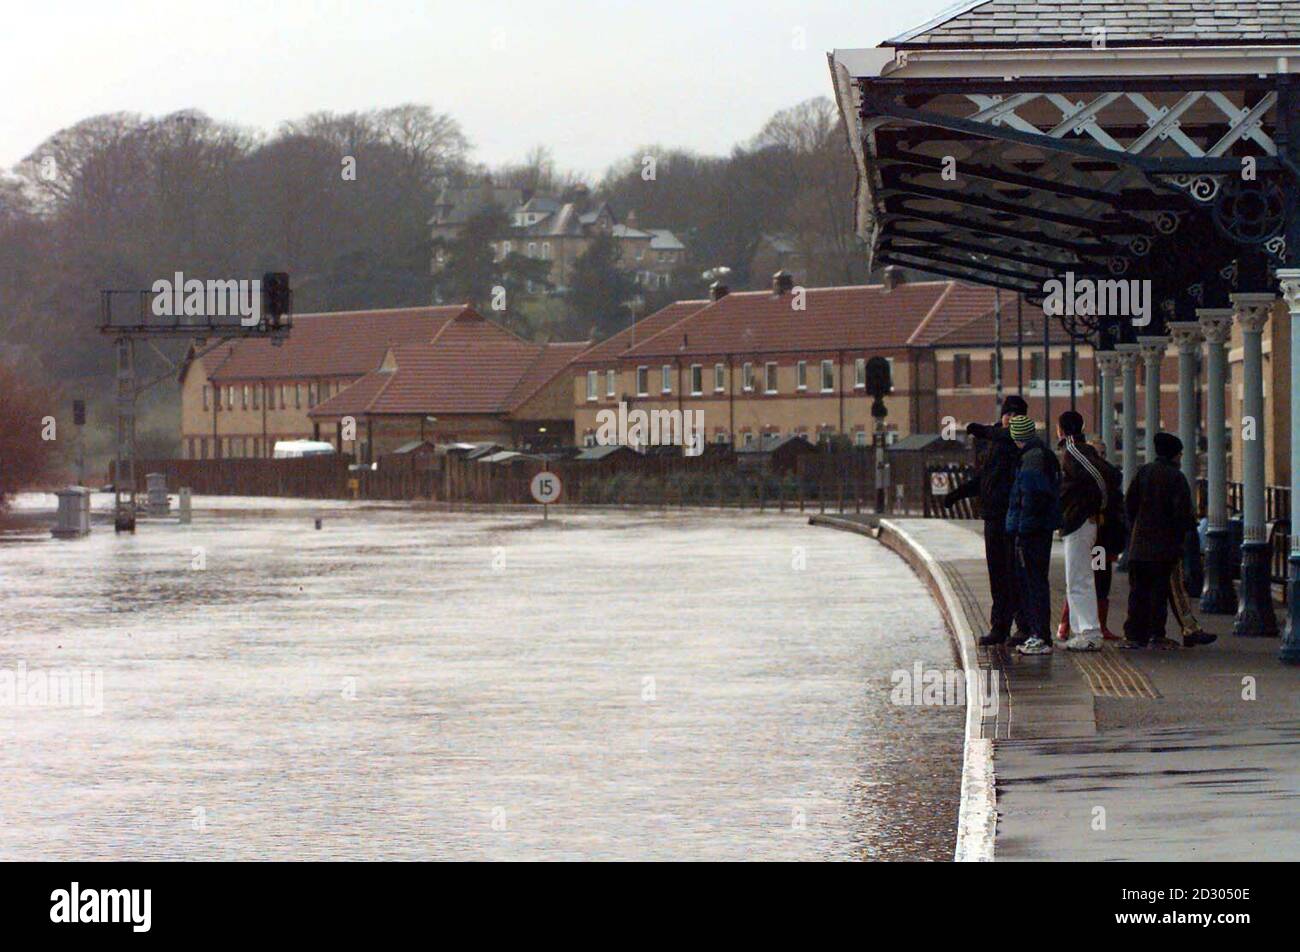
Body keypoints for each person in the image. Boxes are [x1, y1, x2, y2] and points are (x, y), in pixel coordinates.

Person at [941, 394, 1029, 647]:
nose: (1010, 419)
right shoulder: (996, 444)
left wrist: (983, 430)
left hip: (1011, 517)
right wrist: (957, 495)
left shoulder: (1017, 441)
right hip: (992, 517)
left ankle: (1022, 626)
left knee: (1013, 574)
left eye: (1015, 415)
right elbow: (983, 479)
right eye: (1007, 414)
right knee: (998, 575)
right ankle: (999, 627)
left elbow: (1005, 434)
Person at [1122, 432, 1198, 649]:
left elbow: (1129, 504)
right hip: (1164, 547)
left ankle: (1134, 634)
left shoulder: (1143, 472)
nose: (1181, 457)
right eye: (1180, 453)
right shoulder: (1176, 477)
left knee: (1137, 591)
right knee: (1159, 591)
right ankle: (1157, 634)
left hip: (1139, 544)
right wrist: (1181, 538)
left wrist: (1134, 528)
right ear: (1174, 455)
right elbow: (1182, 514)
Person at [1004, 414, 1061, 656]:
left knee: (1033, 583)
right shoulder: (1039, 455)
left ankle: (1040, 636)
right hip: (1039, 529)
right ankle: (1038, 634)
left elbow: (1030, 498)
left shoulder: (1031, 460)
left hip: (1032, 532)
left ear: (1018, 437)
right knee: (1034, 582)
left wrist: (1022, 531)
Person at [1055, 411, 1108, 651]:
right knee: (1075, 579)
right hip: (1078, 521)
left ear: (1061, 429)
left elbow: (1103, 477)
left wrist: (1098, 504)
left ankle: (1089, 633)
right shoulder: (1076, 451)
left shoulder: (1074, 451)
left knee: (1079, 580)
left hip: (1079, 521)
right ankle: (1081, 632)